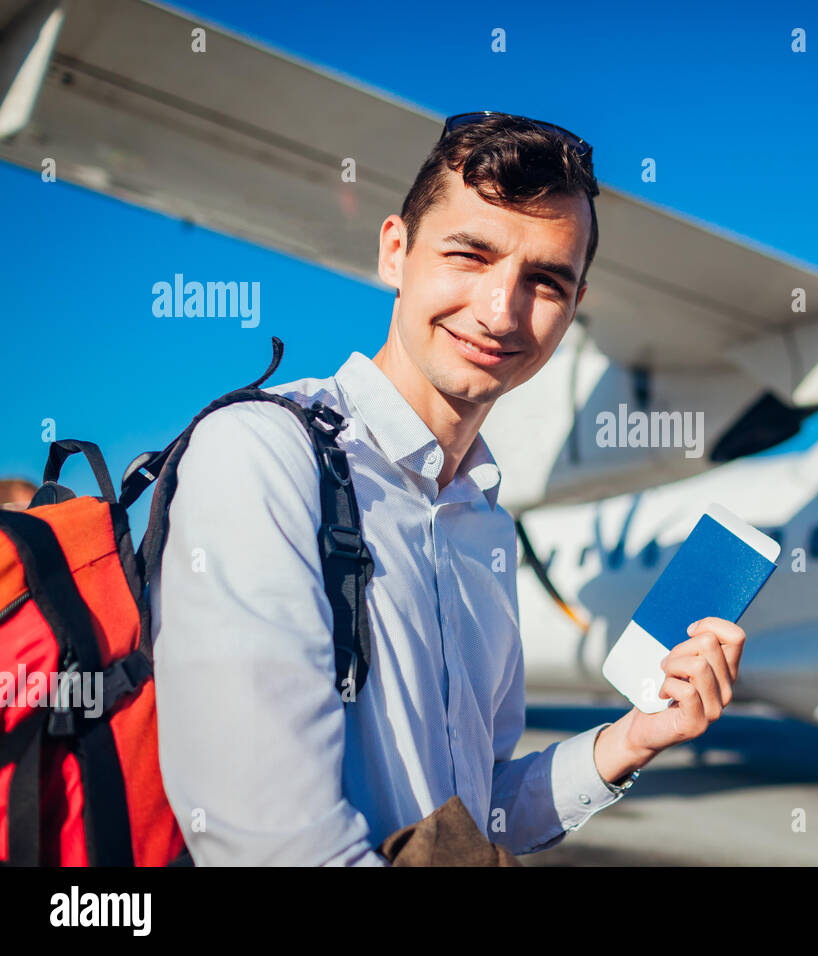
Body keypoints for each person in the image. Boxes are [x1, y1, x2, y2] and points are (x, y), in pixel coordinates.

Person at [150, 111, 747, 865]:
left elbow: (480, 810)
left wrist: (634, 736)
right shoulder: (263, 453)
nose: (501, 311)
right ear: (395, 251)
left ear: (573, 308)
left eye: (545, 281)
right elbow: (272, 844)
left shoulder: (482, 519)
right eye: (470, 254)